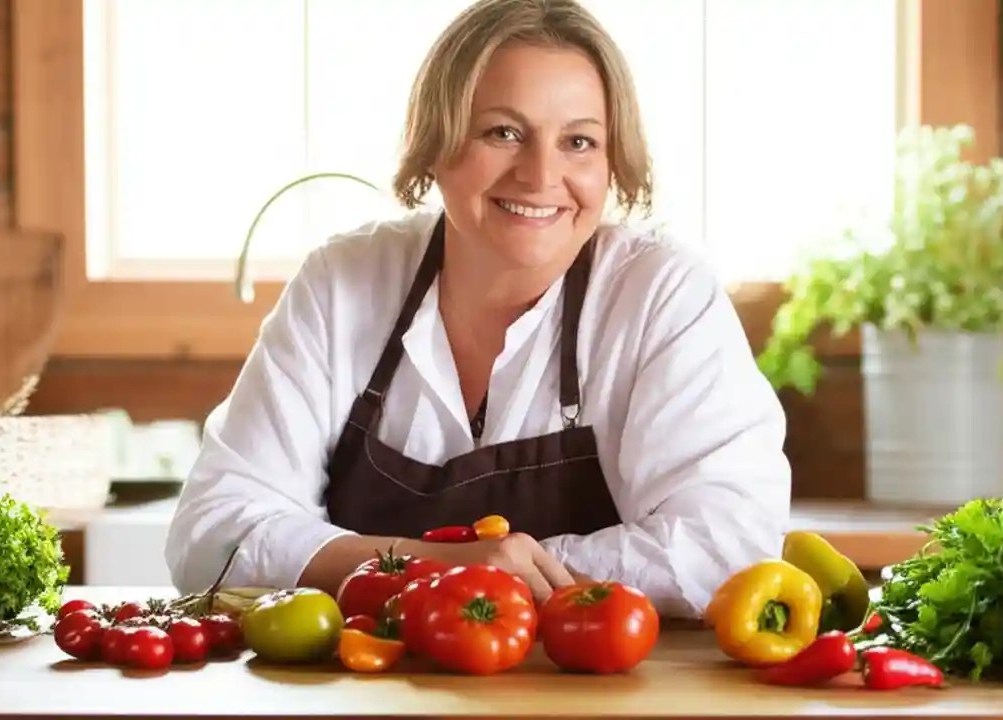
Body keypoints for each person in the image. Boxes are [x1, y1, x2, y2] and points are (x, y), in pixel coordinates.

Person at [164, 0, 790, 618]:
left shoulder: (658, 293)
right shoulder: (344, 281)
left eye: (579, 141)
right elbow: (214, 533)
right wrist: (436, 569)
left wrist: (498, 579)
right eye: (503, 132)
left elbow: (724, 546)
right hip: (370, 699)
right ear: (437, 142)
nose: (541, 174)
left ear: (612, 162)